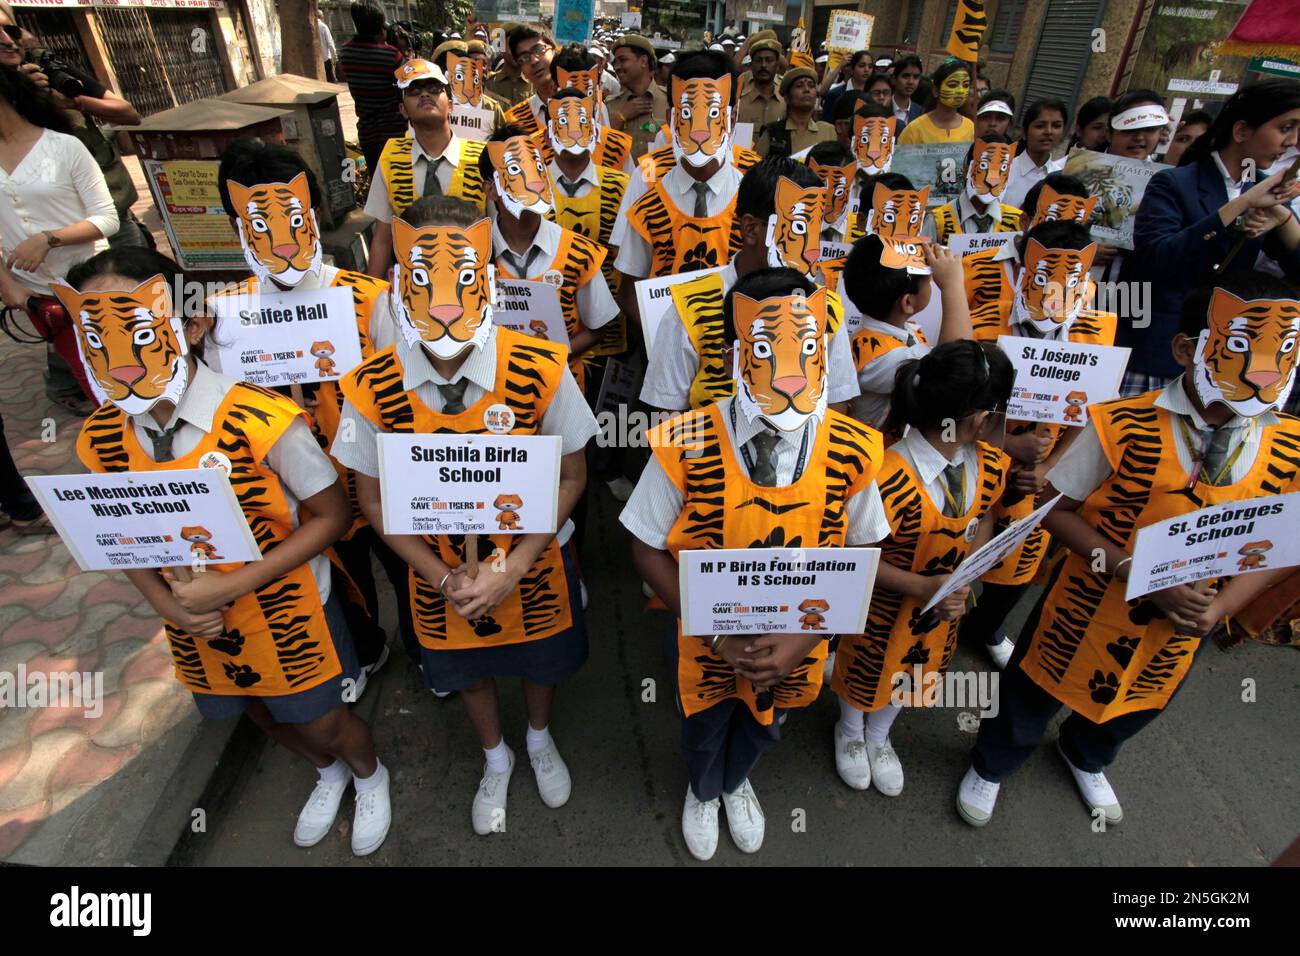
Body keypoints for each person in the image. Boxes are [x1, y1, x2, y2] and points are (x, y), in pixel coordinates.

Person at [64, 246, 392, 856]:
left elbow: (333, 515)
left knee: (319, 717)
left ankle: (370, 775)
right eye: (96, 336)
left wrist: (233, 586)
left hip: (289, 612)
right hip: (194, 621)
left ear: (188, 323)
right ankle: (327, 773)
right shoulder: (100, 437)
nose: (123, 364)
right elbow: (116, 534)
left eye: (135, 329)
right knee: (254, 711)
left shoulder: (258, 418)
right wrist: (169, 606)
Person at [958, 270, 1300, 828]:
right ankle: (994, 761)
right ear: (1189, 347)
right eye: (1242, 348)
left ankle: (1085, 754)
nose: (1264, 373)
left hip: (1189, 622)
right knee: (1035, 687)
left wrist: (1221, 608)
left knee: (1141, 699)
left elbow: (1280, 543)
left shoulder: (1290, 444)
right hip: (1087, 605)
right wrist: (1136, 573)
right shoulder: (1122, 423)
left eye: (1284, 351)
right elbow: (1054, 512)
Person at [333, 194, 597, 836]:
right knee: (467, 666)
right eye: (424, 276)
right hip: (438, 578)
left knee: (540, 659)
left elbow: (572, 476)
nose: (446, 301)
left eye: (465, 273)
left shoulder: (541, 368)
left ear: (489, 275)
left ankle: (537, 737)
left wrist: (513, 566)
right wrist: (441, 575)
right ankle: (495, 755)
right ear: (399, 280)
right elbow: (370, 499)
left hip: (532, 564)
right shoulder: (369, 385)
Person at [622, 267, 888, 860]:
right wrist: (715, 632)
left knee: (767, 721)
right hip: (704, 637)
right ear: (735, 350)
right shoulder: (685, 441)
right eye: (768, 346)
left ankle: (736, 780)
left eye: (808, 344)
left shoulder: (853, 449)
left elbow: (863, 549)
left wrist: (802, 634)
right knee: (706, 721)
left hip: (800, 636)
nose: (790, 373)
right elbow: (644, 543)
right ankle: (702, 787)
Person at [212, 139, 402, 677]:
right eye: (255, 218)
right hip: (300, 496)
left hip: (376, 480)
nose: (280, 237)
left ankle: (428, 655)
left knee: (408, 571)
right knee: (344, 584)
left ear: (313, 213)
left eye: (291, 214)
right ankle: (365, 652)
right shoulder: (226, 319)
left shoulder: (370, 300)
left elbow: (400, 393)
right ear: (236, 228)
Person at [832, 340, 1014, 793]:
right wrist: (921, 585)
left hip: (940, 612)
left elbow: (987, 515)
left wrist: (968, 570)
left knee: (918, 667)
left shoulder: (989, 464)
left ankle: (879, 734)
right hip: (880, 609)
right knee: (866, 665)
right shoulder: (885, 475)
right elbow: (855, 557)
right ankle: (851, 731)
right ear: (980, 418)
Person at [962, 220, 1117, 668]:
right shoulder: (984, 322)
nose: (1058, 293)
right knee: (956, 546)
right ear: (1024, 268)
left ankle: (987, 626)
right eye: (1047, 276)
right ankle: (940, 622)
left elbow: (1092, 411)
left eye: (1075, 279)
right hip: (979, 456)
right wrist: (1006, 443)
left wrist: (1051, 468)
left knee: (1023, 556)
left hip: (1043, 470)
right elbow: (956, 403)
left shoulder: (1096, 331)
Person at [1119, 80, 1300, 396]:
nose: (1292, 141)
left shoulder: (1266, 191)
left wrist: (1282, 217)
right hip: (1157, 351)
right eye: (1285, 127)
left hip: (1225, 362)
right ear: (1241, 131)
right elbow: (1155, 260)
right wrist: (1239, 207)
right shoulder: (1174, 182)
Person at [639, 157, 860, 414]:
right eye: (799, 229)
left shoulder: (826, 309)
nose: (811, 251)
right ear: (751, 229)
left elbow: (836, 404)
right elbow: (665, 415)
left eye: (816, 232)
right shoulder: (691, 307)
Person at [0, 64, 116, 410]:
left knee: (125, 370)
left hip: (96, 287)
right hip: (39, 298)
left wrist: (48, 239)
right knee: (86, 375)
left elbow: (107, 218)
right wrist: (7, 284)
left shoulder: (64, 148)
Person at [613, 49, 760, 309]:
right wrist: (664, 345)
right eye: (688, 113)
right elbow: (629, 289)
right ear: (672, 117)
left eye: (714, 113)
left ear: (733, 115)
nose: (700, 132)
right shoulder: (647, 178)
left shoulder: (755, 180)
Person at [478, 126, 618, 392]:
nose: (532, 182)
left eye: (536, 168)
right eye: (516, 172)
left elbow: (599, 326)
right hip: (493, 391)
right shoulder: (473, 256)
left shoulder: (578, 251)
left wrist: (555, 354)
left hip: (565, 389)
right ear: (491, 189)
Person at [842, 219, 973, 431]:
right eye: (929, 282)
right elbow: (958, 367)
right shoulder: (881, 358)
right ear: (908, 302)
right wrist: (952, 286)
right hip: (879, 458)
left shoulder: (903, 331)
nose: (933, 284)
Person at [363, 58, 487, 277]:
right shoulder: (391, 157)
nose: (424, 94)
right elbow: (382, 239)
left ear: (450, 105)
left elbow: (495, 230)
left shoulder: (481, 157)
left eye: (433, 88)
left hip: (470, 281)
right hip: (414, 282)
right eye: (413, 90)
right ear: (403, 109)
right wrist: (370, 297)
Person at [337, 2, 407, 176]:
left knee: (379, 180)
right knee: (400, 179)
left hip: (367, 131)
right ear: (380, 24)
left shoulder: (346, 53)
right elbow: (404, 88)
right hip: (394, 129)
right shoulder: (392, 55)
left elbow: (340, 74)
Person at [924, 132, 1023, 244]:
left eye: (1003, 168)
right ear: (966, 169)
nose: (992, 180)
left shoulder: (1017, 221)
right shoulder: (937, 221)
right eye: (984, 166)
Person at [607, 34, 668, 162]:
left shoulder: (670, 102)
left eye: (623, 60)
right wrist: (621, 117)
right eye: (615, 62)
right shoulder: (610, 105)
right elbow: (598, 149)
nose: (616, 67)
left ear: (643, 61)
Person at [755, 67, 835, 158]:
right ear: (787, 98)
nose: (806, 90)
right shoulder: (773, 132)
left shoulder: (828, 131)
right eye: (799, 86)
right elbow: (757, 169)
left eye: (811, 86)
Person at [1003, 98, 1068, 210]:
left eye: (1056, 126)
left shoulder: (1061, 177)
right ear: (1024, 132)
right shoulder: (1005, 170)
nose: (1049, 131)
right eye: (1040, 126)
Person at [898, 60, 975, 145]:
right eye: (952, 85)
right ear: (935, 91)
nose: (960, 91)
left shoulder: (971, 128)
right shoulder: (915, 129)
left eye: (965, 85)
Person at [737, 37, 784, 129]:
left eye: (769, 60)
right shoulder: (739, 96)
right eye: (758, 60)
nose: (763, 65)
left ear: (777, 64)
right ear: (751, 64)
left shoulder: (786, 97)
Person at [820, 50, 872, 121]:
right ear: (852, 69)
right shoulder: (835, 94)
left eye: (870, 66)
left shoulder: (874, 95)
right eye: (861, 66)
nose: (866, 69)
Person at [486, 32, 531, 107]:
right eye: (511, 46)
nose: (516, 52)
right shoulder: (489, 83)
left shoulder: (535, 83)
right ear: (501, 49)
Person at [890, 54, 925, 132]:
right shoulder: (882, 106)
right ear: (894, 79)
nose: (911, 82)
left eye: (915, 77)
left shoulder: (921, 113)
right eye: (906, 76)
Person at [318, 9, 338, 83]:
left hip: (316, 62)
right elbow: (330, 44)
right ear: (322, 17)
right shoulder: (323, 27)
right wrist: (335, 58)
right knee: (330, 83)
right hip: (326, 60)